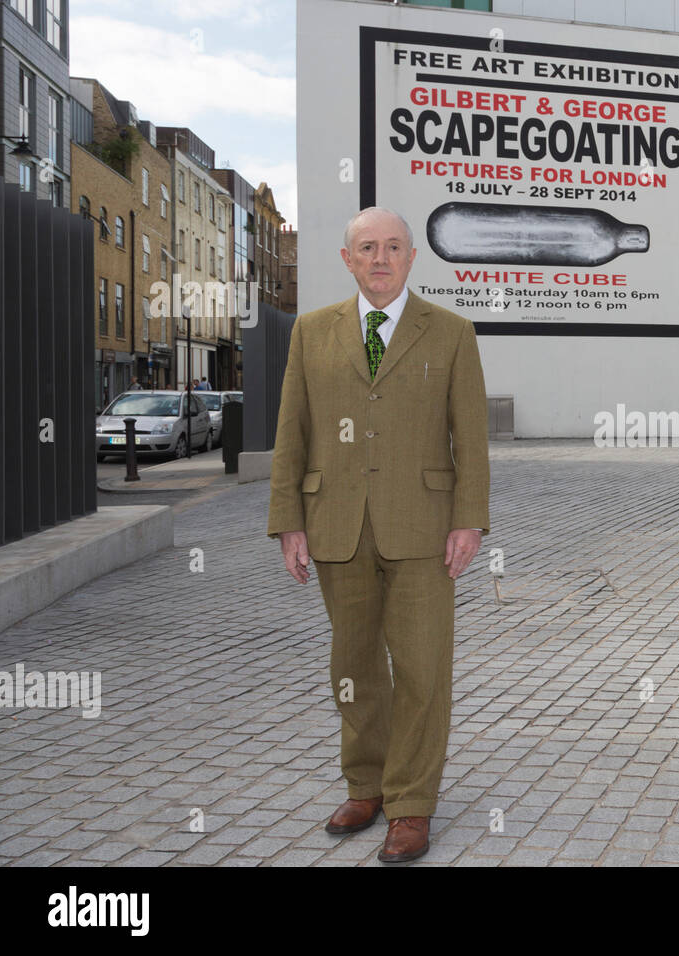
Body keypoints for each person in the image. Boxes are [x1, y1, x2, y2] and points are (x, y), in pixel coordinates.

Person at [267, 206, 490, 863]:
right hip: (337, 524)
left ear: (411, 258)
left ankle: (412, 804)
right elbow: (292, 432)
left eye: (394, 246)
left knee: (423, 669)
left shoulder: (450, 332)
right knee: (354, 665)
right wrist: (288, 522)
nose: (381, 258)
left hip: (424, 528)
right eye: (368, 247)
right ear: (347, 259)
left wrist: (469, 517)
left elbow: (469, 437)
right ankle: (366, 784)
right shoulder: (311, 333)